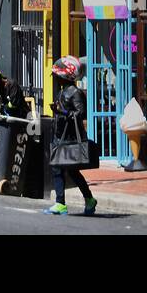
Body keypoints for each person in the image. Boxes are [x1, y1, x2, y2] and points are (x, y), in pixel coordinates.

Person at [44, 56, 98, 217]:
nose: (55, 78)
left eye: (57, 75)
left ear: (66, 76)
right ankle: (63, 202)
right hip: (60, 134)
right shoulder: (62, 91)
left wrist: (64, 113)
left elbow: (81, 113)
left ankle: (85, 199)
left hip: (71, 136)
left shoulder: (75, 93)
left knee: (69, 170)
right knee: (57, 168)